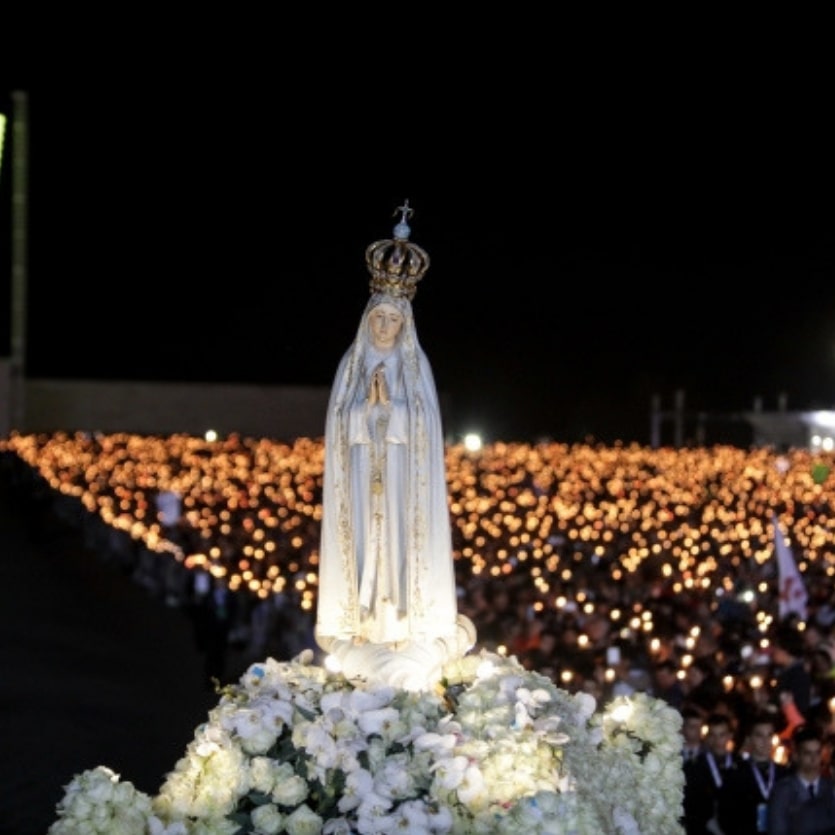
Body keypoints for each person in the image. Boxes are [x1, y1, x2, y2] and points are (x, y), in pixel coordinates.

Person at [314, 202, 473, 687]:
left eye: (393, 322)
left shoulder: (413, 367)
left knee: (402, 544)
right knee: (364, 542)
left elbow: (424, 423)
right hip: (363, 478)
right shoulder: (352, 366)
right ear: (369, 321)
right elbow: (340, 426)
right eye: (379, 320)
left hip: (405, 481)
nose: (385, 328)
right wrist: (368, 413)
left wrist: (394, 412)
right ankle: (361, 621)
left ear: (404, 325)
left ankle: (406, 623)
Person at [717, 711, 790, 834]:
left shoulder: (784, 774)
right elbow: (726, 817)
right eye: (759, 735)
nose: (765, 741)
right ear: (749, 739)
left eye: (769, 735)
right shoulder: (735, 775)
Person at [683, 710, 744, 834]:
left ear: (730, 736)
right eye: (713, 735)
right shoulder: (694, 767)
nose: (717, 740)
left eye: (722, 735)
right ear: (707, 736)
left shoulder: (742, 765)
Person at [768, 724, 835, 834]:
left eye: (817, 753)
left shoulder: (829, 787)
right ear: (796, 756)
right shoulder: (782, 791)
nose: (814, 759)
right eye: (808, 753)